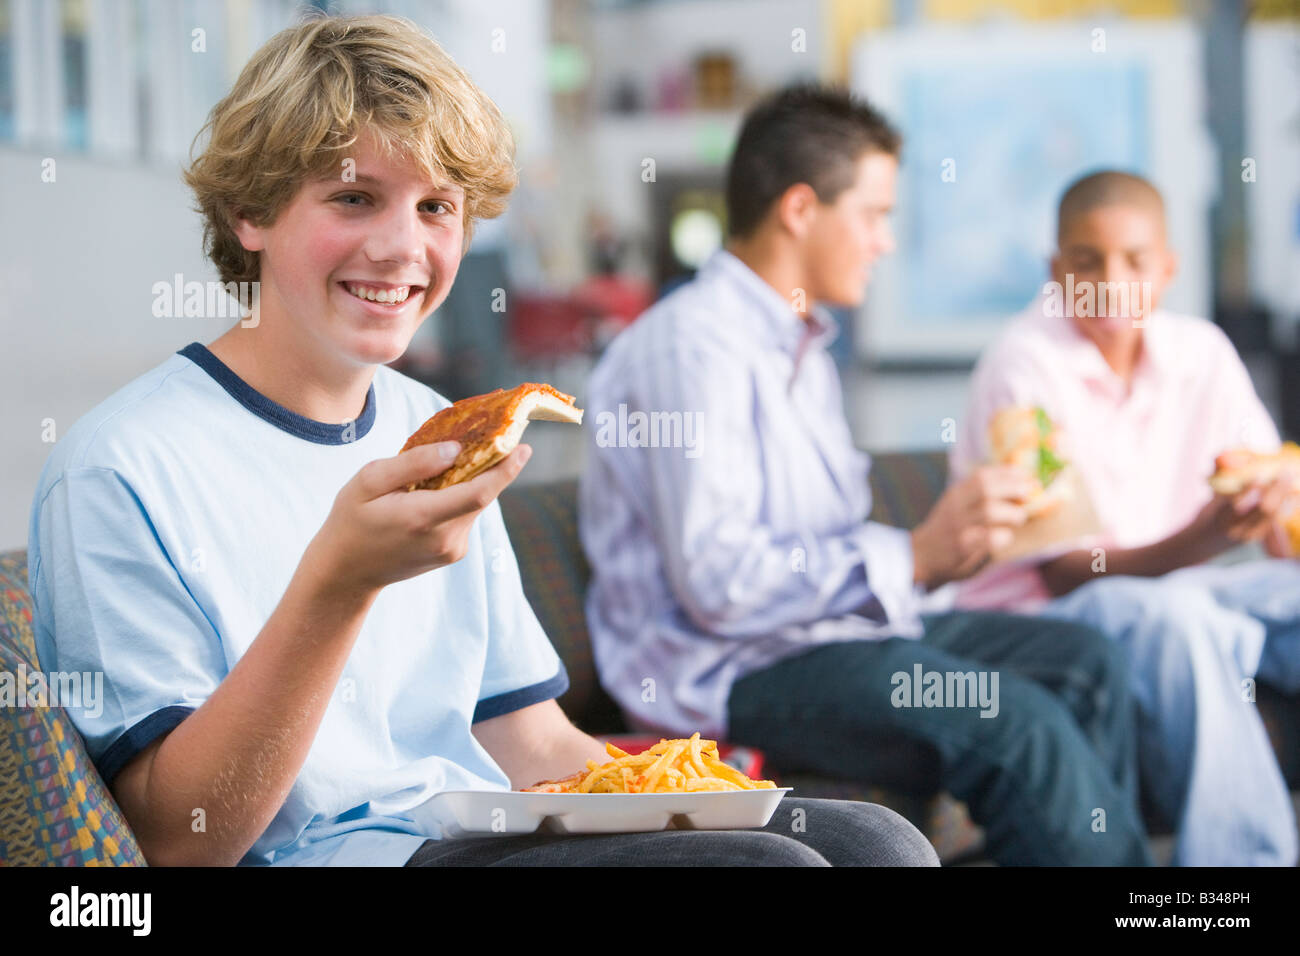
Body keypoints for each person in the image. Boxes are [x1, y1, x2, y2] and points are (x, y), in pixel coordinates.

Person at [27, 14, 934, 867]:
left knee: (874, 844)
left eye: (437, 207)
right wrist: (339, 586)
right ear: (250, 216)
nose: (401, 248)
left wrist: (694, 793)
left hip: (476, 830)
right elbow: (180, 841)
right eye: (353, 197)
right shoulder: (120, 468)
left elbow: (529, 741)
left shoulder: (443, 425)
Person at [579, 85, 1153, 866]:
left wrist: (958, 550)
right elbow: (718, 582)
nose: (885, 241)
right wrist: (913, 557)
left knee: (1089, 664)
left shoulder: (801, 346)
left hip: (822, 639)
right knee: (1016, 721)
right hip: (729, 671)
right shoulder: (692, 350)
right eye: (875, 214)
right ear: (801, 210)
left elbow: (827, 542)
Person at [949, 169, 1300, 865]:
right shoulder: (1023, 368)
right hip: (1048, 615)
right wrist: (1203, 537)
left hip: (1173, 589)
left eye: (1135, 260)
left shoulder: (1201, 353)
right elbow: (1062, 574)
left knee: (1204, 610)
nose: (1110, 280)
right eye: (1086, 260)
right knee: (1180, 621)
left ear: (1167, 268)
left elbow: (1272, 517)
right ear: (1056, 270)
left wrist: (1278, 514)